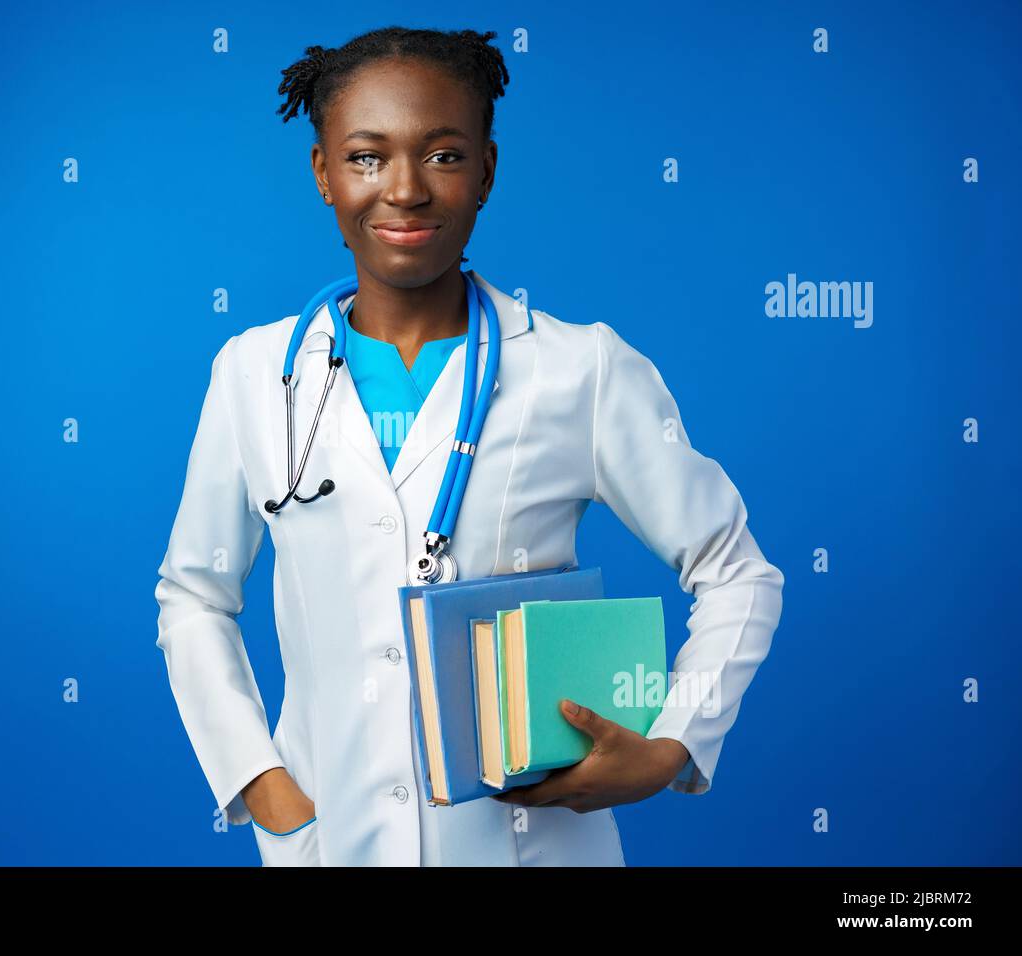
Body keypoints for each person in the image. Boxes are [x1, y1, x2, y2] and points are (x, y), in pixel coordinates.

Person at [154, 26, 784, 866]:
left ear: (487, 170)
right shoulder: (254, 374)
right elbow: (192, 595)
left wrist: (672, 743)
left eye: (443, 155)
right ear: (323, 174)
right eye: (367, 157)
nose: (404, 190)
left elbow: (738, 572)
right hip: (330, 839)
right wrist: (259, 779)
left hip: (533, 845)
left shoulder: (579, 370)